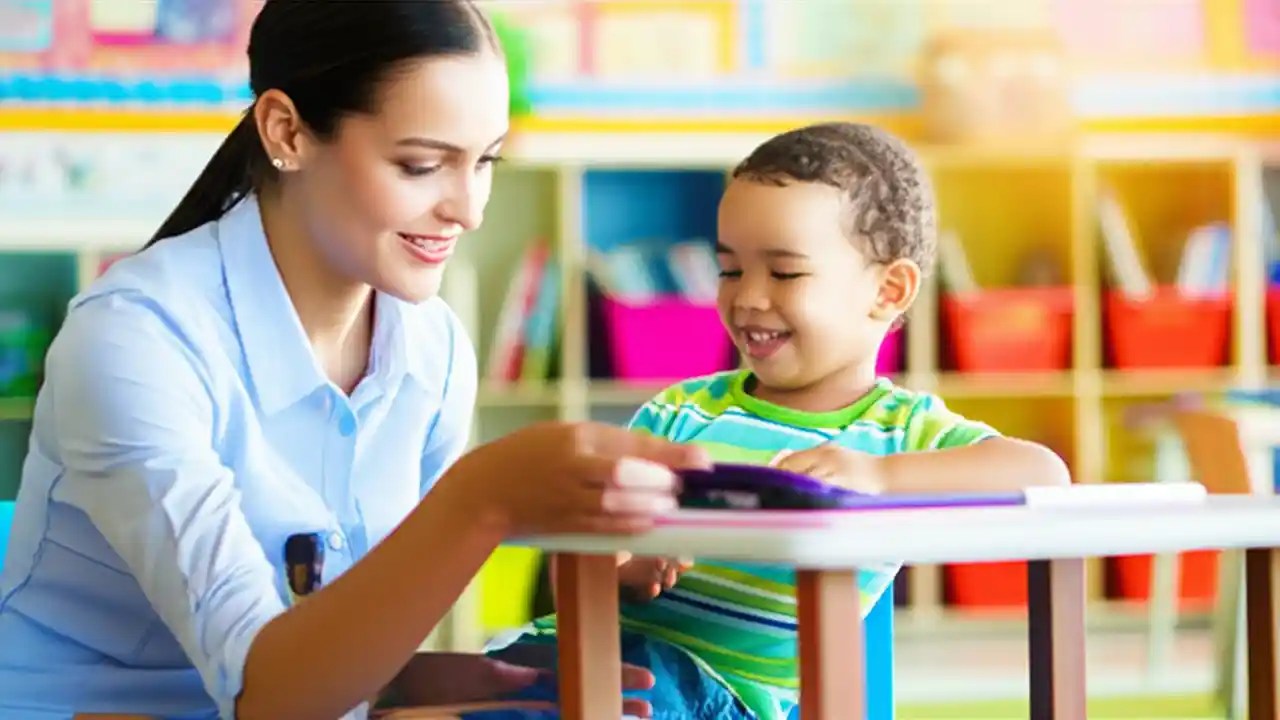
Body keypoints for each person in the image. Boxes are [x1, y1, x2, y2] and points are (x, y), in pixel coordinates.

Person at [0, 2, 707, 719]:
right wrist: (481, 498)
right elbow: (265, 692)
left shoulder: (431, 351)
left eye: (486, 161)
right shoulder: (136, 338)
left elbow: (324, 646)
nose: (469, 209)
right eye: (422, 164)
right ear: (287, 131)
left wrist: (404, 682)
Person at [484, 122, 1074, 720]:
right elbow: (572, 568)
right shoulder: (680, 412)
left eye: (785, 273)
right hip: (573, 656)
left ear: (888, 290)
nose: (747, 298)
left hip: (714, 695)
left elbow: (1042, 473)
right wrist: (628, 569)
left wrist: (881, 479)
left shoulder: (898, 432)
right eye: (731, 270)